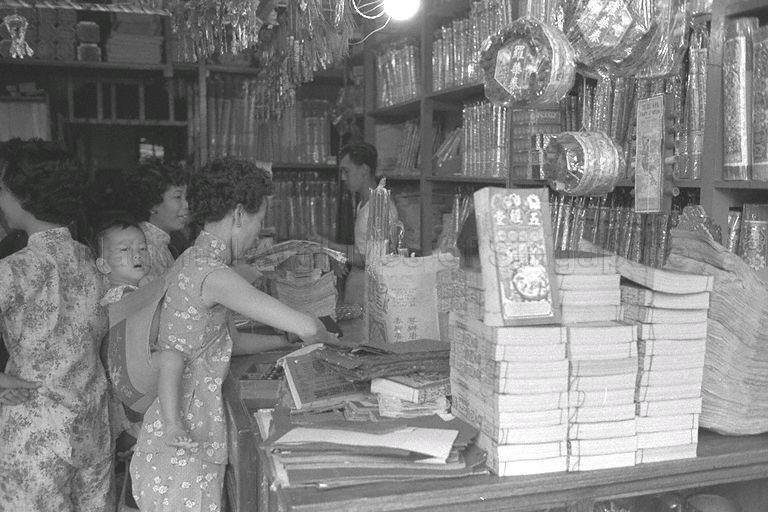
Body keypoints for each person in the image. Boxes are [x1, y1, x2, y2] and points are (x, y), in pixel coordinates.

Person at [130, 157, 333, 512]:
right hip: (183, 447)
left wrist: (285, 341)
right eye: (260, 220)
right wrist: (331, 340)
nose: (258, 232)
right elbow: (307, 325)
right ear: (239, 214)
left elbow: (231, 344)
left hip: (177, 438)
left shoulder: (190, 260)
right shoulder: (212, 275)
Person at [0, 146, 113, 511]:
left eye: (3, 189)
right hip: (92, 419)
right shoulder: (96, 262)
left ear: (24, 198)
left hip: (33, 424)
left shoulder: (14, 269)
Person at [312, 142, 398, 304]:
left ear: (364, 170)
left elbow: (374, 259)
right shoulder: (364, 204)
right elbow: (362, 249)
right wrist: (338, 255)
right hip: (360, 289)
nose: (343, 178)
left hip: (372, 294)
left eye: (346, 171)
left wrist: (329, 247)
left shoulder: (379, 207)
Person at [127, 159, 190, 282]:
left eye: (186, 197)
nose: (186, 205)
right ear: (153, 204)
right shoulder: (143, 248)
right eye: (178, 197)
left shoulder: (162, 244)